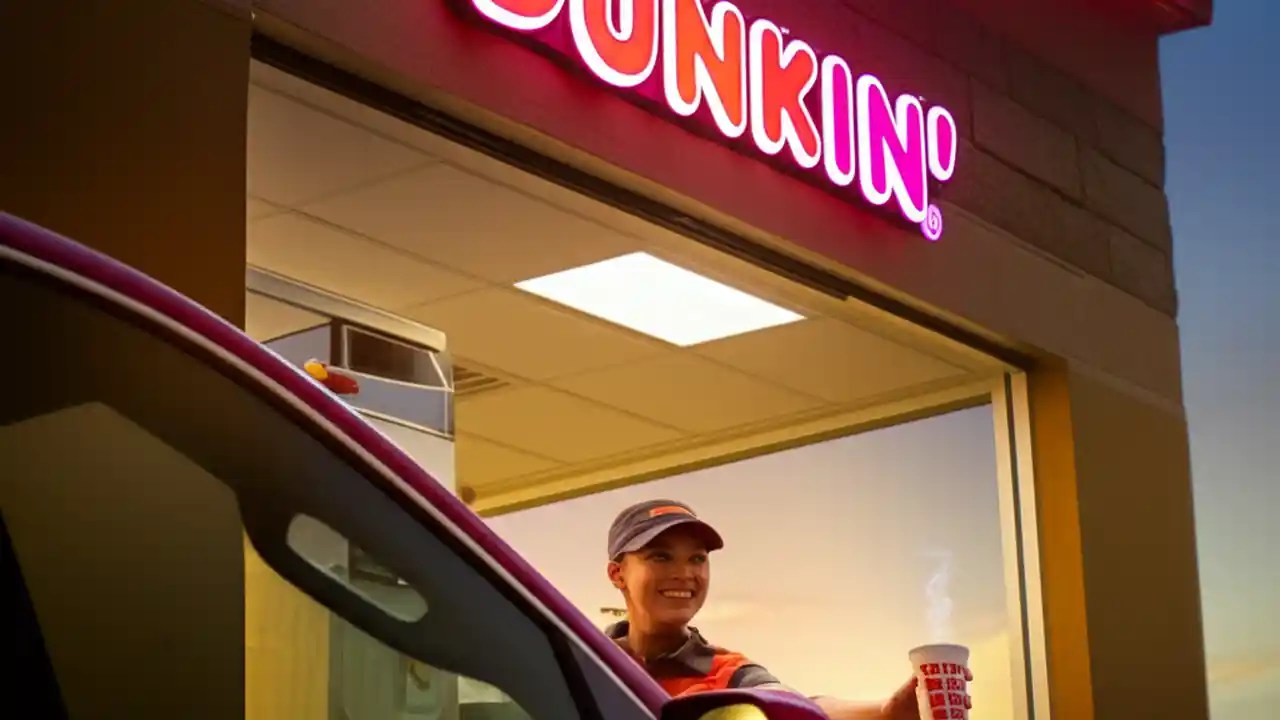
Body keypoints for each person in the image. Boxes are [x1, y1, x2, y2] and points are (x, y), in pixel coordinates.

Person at [604, 499, 969, 720]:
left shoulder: (728, 673)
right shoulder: (581, 655)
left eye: (697, 558)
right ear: (617, 574)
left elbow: (798, 707)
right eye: (661, 556)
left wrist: (885, 712)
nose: (684, 574)